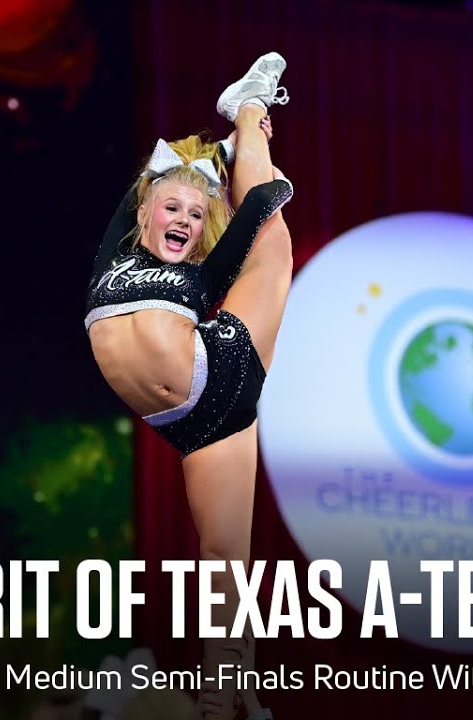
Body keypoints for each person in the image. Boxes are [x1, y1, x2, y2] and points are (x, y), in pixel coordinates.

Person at [84, 52, 294, 720]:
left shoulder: (193, 279)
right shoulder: (115, 253)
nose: (183, 220)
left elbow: (254, 214)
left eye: (196, 216)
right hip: (192, 416)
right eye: (170, 207)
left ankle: (250, 110)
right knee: (226, 557)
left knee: (274, 247)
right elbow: (153, 184)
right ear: (144, 212)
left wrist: (261, 188)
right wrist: (211, 163)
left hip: (218, 378)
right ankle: (238, 697)